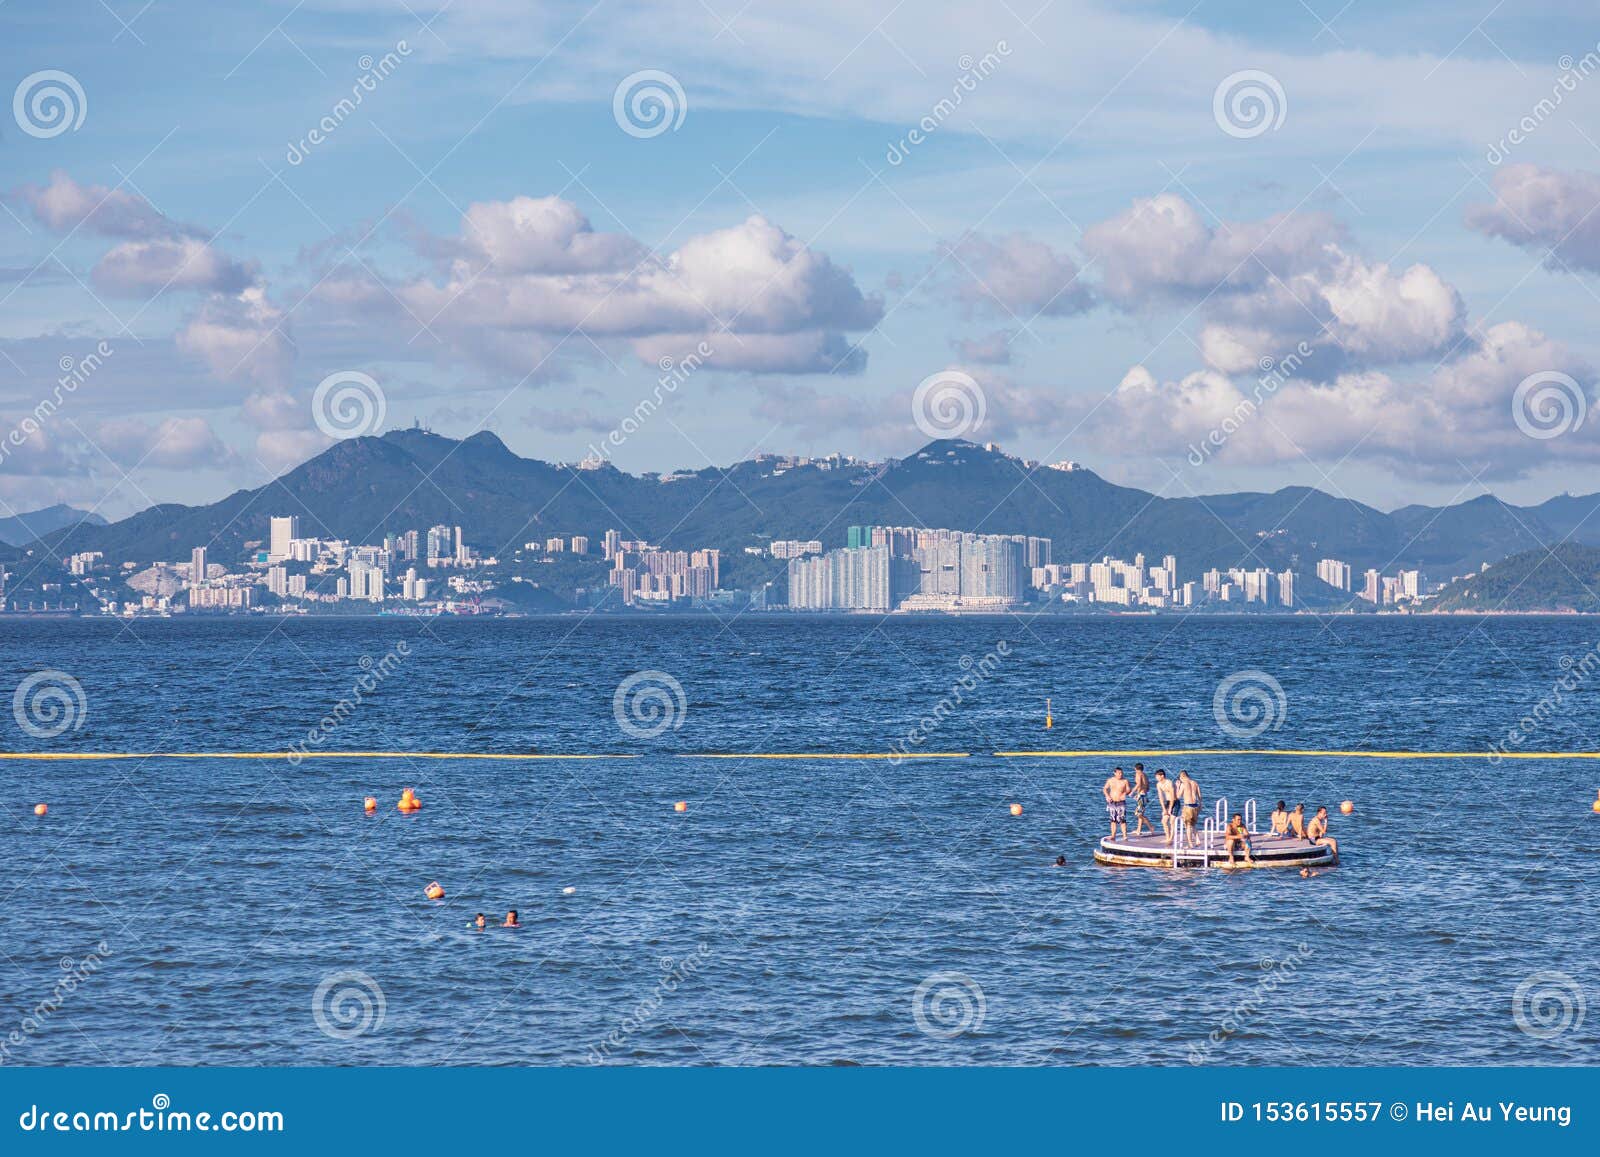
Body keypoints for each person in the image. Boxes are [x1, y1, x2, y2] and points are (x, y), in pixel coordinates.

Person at [1169, 770, 1201, 848]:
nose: (1180, 780)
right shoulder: (1195, 783)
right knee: (1193, 824)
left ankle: (1190, 844)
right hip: (1196, 806)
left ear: (1182, 776)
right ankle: (1197, 839)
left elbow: (1178, 796)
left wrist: (1177, 786)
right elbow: (1200, 796)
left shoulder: (1183, 784)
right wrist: (1201, 805)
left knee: (1187, 826)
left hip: (1188, 807)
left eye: (1180, 778)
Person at [1102, 767, 1132, 839]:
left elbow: (1129, 790)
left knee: (1122, 820)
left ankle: (1125, 836)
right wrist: (1107, 796)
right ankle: (1113, 835)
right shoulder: (1110, 780)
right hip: (1112, 802)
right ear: (1115, 773)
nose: (1120, 774)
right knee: (1113, 820)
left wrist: (1125, 793)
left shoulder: (1125, 781)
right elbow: (1105, 789)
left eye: (1121, 773)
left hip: (1121, 803)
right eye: (1119, 773)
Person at [1131, 764, 1154, 836]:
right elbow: (1148, 787)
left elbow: (1138, 784)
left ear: (1135, 768)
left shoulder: (1138, 774)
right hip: (1145, 795)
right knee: (1141, 813)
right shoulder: (1145, 775)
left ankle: (1150, 826)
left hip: (1141, 796)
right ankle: (1138, 830)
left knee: (1138, 814)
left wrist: (1133, 792)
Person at [1154, 769, 1175, 840]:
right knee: (1164, 821)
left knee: (1172, 821)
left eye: (1157, 776)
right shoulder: (1158, 784)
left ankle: (1171, 838)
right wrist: (1164, 808)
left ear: (1162, 776)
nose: (1156, 778)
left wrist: (1170, 808)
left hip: (1175, 802)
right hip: (1168, 802)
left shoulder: (1169, 783)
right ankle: (1167, 837)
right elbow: (1161, 797)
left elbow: (1172, 796)